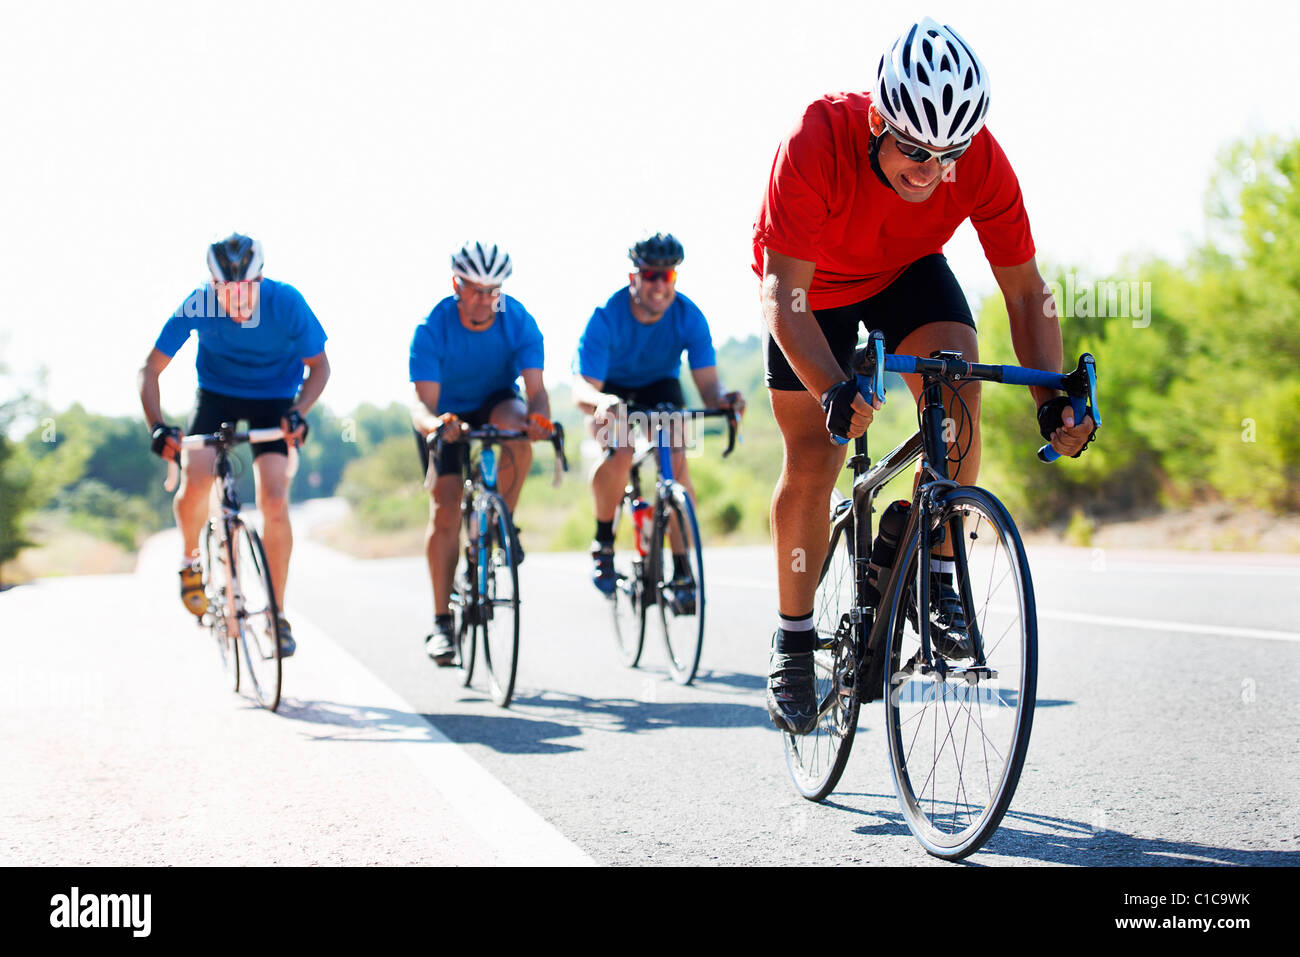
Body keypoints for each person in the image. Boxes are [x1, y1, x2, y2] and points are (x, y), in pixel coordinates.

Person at [755, 17, 1096, 734]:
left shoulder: (978, 164)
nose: (933, 168)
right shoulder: (816, 140)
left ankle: (936, 567)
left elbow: (1029, 292)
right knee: (814, 456)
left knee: (955, 379)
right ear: (878, 119)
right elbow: (781, 295)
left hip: (906, 273)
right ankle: (791, 643)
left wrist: (1051, 396)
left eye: (951, 152)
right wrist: (831, 389)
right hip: (808, 291)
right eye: (913, 148)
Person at [140, 233, 330, 656]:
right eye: (226, 289)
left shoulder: (286, 302)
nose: (237, 298)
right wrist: (158, 426)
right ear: (211, 285)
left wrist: (298, 411)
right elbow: (149, 370)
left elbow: (319, 366)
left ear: (262, 280)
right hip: (217, 395)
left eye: (247, 288)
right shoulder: (198, 303)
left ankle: (277, 615)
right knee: (197, 478)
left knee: (275, 498)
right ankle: (191, 563)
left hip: (274, 398)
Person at [572, 233, 745, 601]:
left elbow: (710, 388)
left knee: (677, 453)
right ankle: (603, 544)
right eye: (650, 275)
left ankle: (682, 570)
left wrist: (724, 400)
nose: (658, 285)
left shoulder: (688, 316)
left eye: (667, 277)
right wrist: (602, 402)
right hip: (611, 391)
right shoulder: (606, 316)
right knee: (618, 450)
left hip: (659, 388)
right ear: (633, 277)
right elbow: (582, 390)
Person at [410, 241, 551, 666]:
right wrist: (437, 425)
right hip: (444, 414)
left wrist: (539, 422)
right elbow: (420, 405)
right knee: (446, 509)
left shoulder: (518, 320)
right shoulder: (433, 326)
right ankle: (440, 623)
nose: (484, 300)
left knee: (518, 426)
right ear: (456, 284)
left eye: (493, 291)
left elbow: (537, 394)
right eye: (474, 290)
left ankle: (499, 522)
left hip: (495, 401)